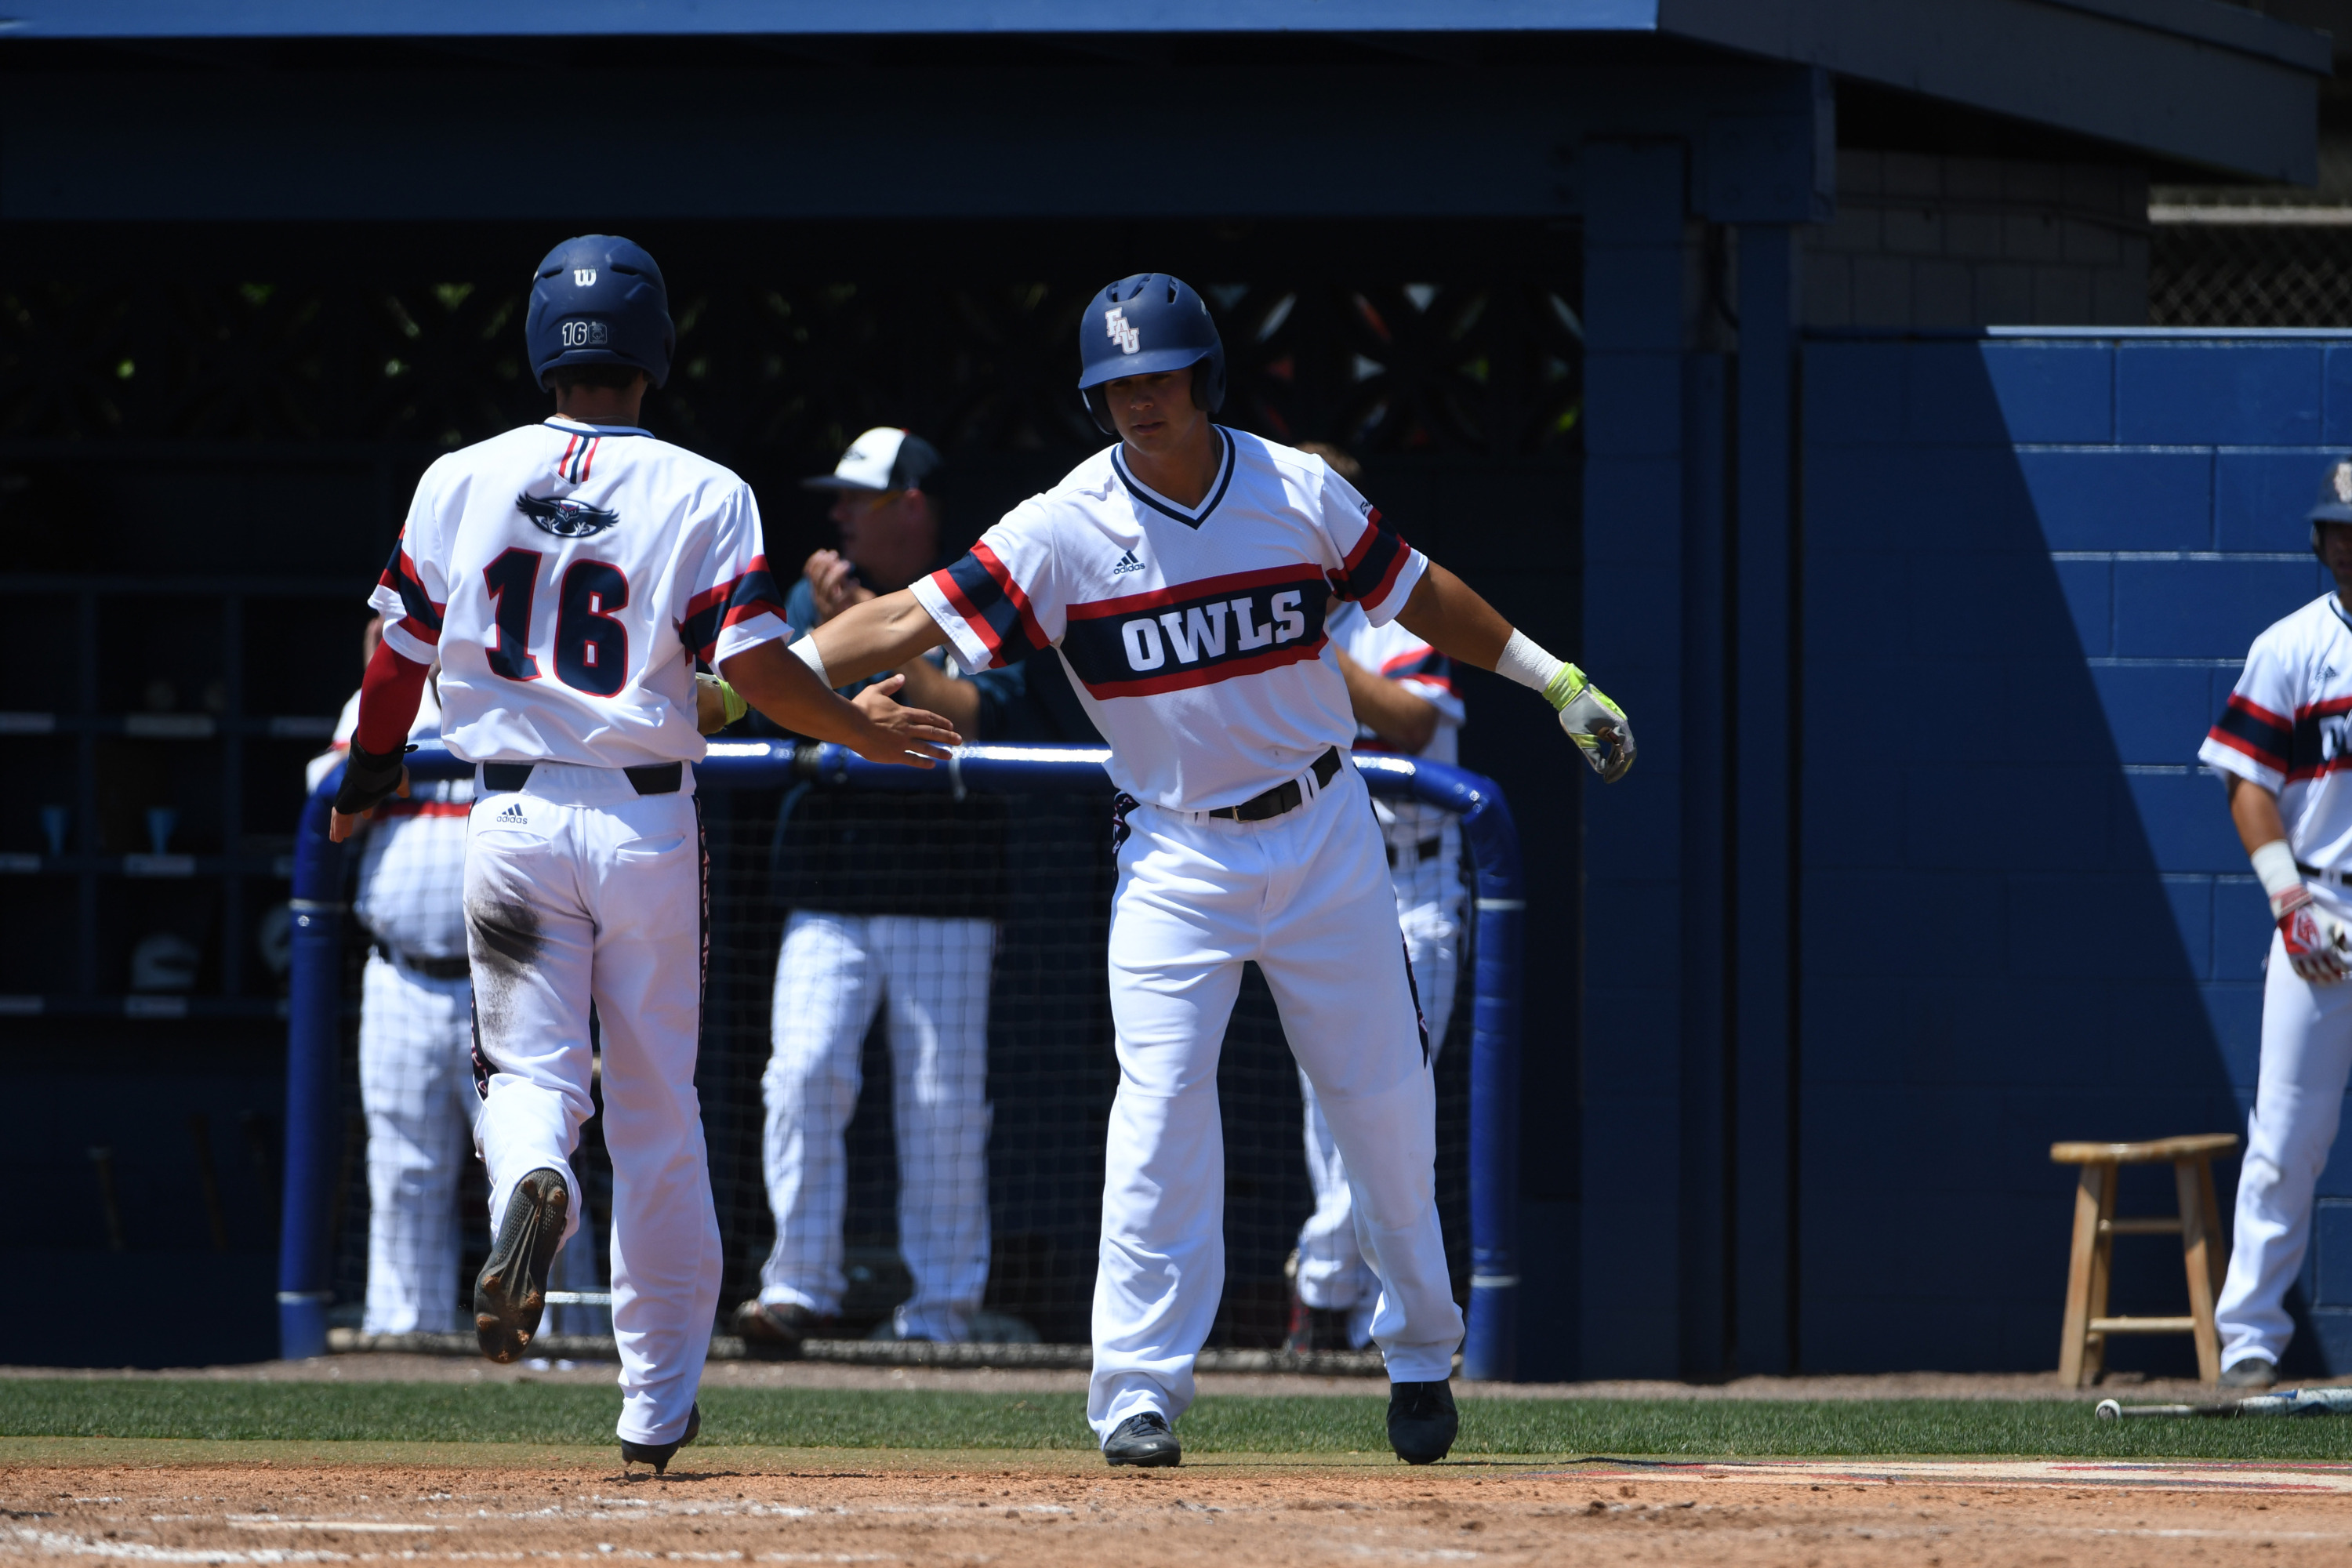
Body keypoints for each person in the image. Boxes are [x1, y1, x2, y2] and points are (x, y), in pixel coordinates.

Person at [793, 274, 1633, 1467]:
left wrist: (1554, 680)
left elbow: (1418, 590)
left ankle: (1418, 1349)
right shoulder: (1063, 524)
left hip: (1325, 829)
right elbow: (901, 622)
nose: (1140, 399)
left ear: (1206, 378)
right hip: (1177, 849)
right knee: (1158, 1114)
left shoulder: (1296, 487)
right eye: (1116, 384)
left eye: (1161, 375)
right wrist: (739, 682)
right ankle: (1137, 1391)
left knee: (1385, 1112)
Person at [329, 235, 957, 1473]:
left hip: (508, 815)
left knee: (528, 1073)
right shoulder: (706, 488)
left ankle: (536, 1182)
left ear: (539, 346)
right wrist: (856, 727)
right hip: (643, 818)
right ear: (654, 349)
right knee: (659, 1110)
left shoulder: (459, 476)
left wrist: (369, 771)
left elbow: (394, 659)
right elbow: (755, 667)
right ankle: (655, 1410)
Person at [735, 429, 1022, 1351]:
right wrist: (837, 641)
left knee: (942, 1104)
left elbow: (985, 716)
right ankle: (798, 1286)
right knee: (803, 1072)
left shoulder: (980, 590)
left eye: (859, 499)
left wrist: (873, 627)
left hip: (946, 891)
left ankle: (941, 1309)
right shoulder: (806, 597)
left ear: (913, 506)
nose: (840, 514)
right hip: (830, 882)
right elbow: (764, 698)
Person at [1280, 443, 1469, 1355]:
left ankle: (1327, 1289)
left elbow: (1415, 720)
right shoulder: (1250, 620)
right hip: (1321, 877)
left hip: (1413, 877)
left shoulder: (1393, 613)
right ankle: (1354, 1312)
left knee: (1389, 1096)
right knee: (1328, 1102)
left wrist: (1306, 638)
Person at [2200, 456, 2352, 1388]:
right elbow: (2247, 781)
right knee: (2288, 1135)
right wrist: (2288, 900)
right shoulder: (2291, 644)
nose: (2346, 542)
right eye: (2338, 527)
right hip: (2321, 908)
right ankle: (2250, 1344)